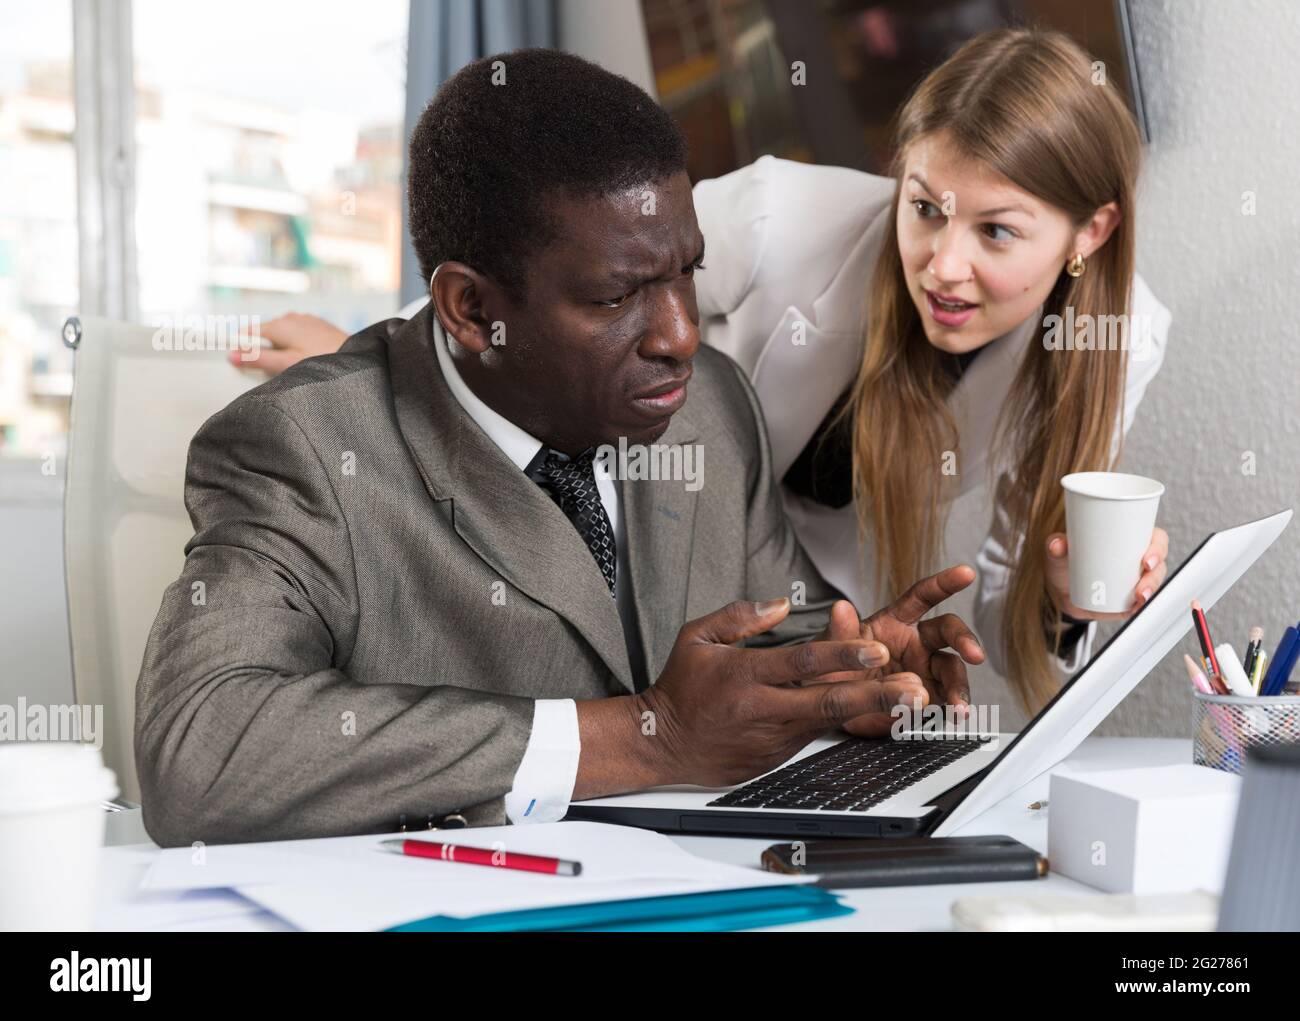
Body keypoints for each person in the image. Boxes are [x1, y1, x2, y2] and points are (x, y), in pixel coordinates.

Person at [139, 49, 983, 847]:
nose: (682, 335)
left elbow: (763, 635)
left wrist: (843, 676)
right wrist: (644, 738)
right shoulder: (307, 448)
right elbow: (199, 754)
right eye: (619, 294)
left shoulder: (709, 410)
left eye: (686, 272)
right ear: (471, 309)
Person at [243, 30, 1171, 718]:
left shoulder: (1113, 348)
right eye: (925, 208)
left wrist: (1061, 603)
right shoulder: (781, 217)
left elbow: (1015, 597)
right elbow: (573, 282)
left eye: (997, 232)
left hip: (777, 586)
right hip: (647, 517)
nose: (942, 263)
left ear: (1090, 233)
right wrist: (378, 354)